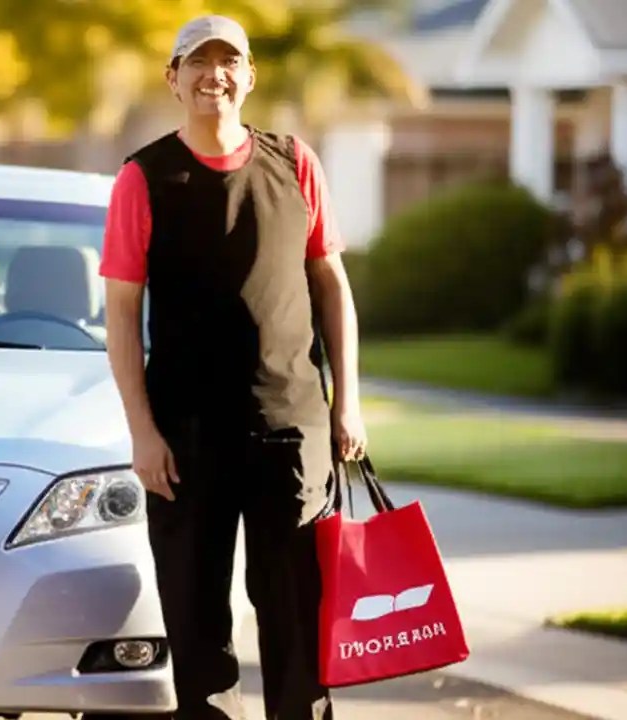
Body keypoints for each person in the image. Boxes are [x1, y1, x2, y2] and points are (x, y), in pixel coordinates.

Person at [99, 14, 366, 720]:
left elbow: (332, 286)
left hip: (290, 427)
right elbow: (121, 314)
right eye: (198, 62)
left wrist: (349, 403)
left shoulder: (295, 163)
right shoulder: (144, 179)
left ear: (250, 76)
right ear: (173, 78)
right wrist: (142, 432)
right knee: (196, 622)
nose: (214, 74)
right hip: (185, 437)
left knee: (296, 620)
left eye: (229, 62)